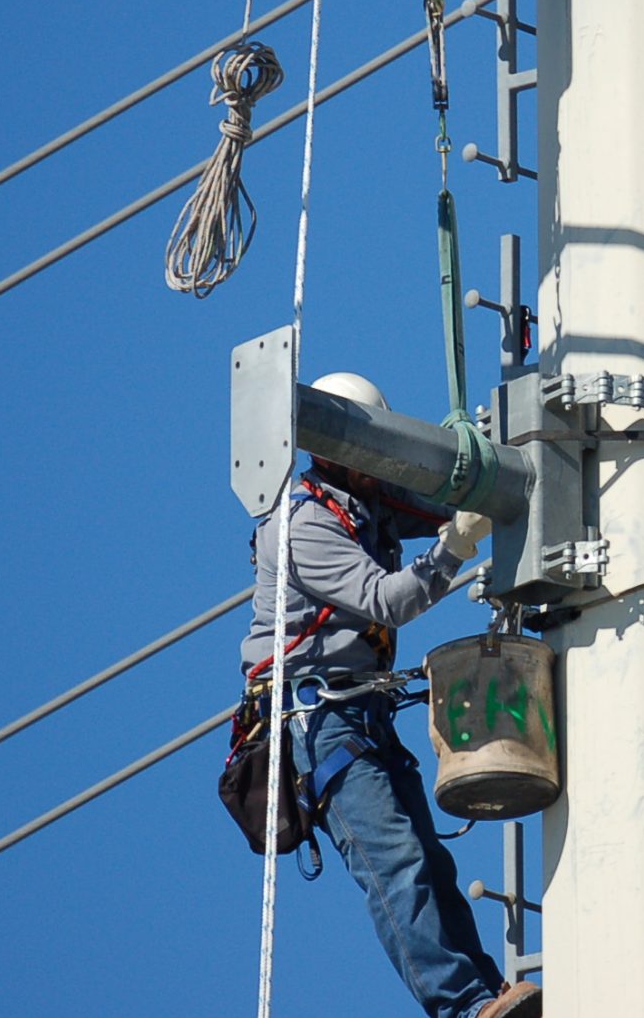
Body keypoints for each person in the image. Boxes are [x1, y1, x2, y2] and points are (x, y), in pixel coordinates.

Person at [240, 371, 541, 1018]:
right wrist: (453, 546)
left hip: (362, 718)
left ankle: (489, 996)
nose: (379, 472)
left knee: (431, 863)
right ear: (330, 456)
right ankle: (463, 1006)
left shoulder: (364, 505)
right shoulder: (302, 526)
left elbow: (436, 496)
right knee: (397, 863)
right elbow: (386, 601)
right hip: (318, 723)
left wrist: (488, 466)